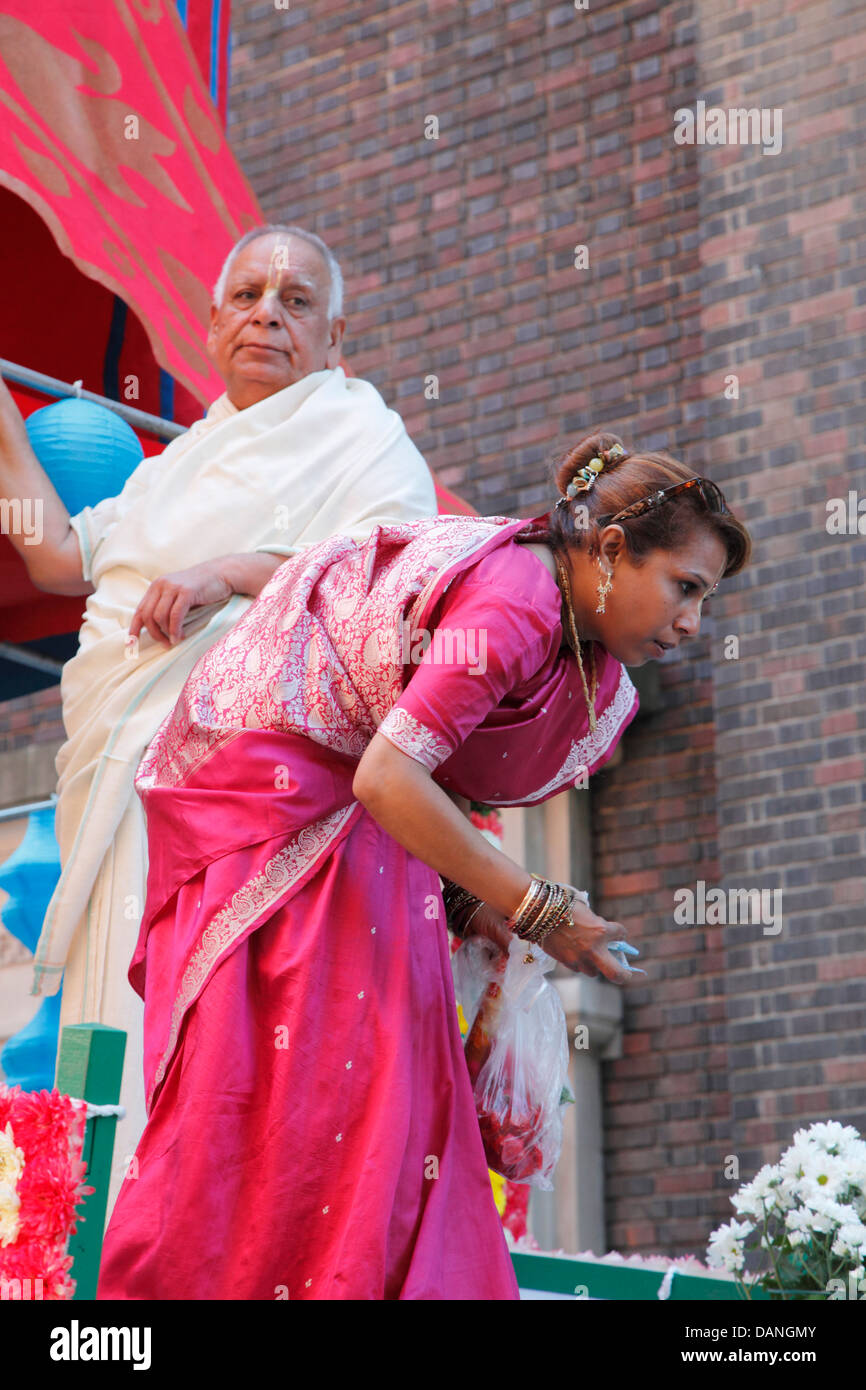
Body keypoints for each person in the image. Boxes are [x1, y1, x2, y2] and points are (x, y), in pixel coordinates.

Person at [96, 430, 751, 1300]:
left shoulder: (568, 634)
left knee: (396, 1099)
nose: (692, 624)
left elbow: (362, 633)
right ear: (614, 551)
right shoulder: (516, 603)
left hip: (355, 809)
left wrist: (469, 902)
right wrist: (540, 908)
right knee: (297, 1098)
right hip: (270, 797)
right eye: (686, 588)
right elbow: (388, 776)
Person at [0, 224, 436, 1217]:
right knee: (103, 1014)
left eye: (293, 303)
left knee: (195, 1038)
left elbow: (400, 590)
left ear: (334, 337)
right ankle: (99, 1245)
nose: (265, 317)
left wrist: (232, 572)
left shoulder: (363, 439)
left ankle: (182, 1243)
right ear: (209, 324)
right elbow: (63, 559)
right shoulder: (176, 462)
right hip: (108, 772)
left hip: (238, 807)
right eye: (245, 296)